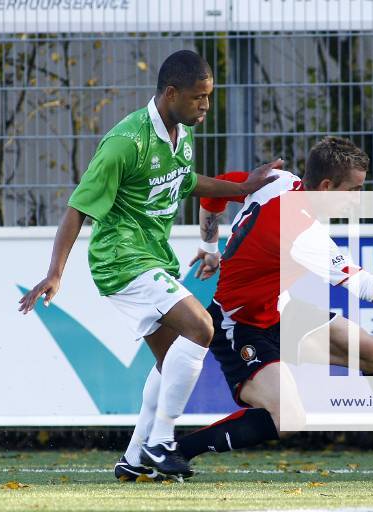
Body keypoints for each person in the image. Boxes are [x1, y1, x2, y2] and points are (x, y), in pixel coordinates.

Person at [113, 136, 373, 481]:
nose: (357, 201)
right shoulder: (301, 230)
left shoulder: (280, 181)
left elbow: (216, 191)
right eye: (353, 191)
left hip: (279, 312)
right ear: (326, 187)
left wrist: (209, 246)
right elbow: (369, 289)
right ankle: (171, 449)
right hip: (241, 324)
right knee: (289, 418)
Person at [18, 50, 279, 481]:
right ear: (171, 92)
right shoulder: (126, 142)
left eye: (209, 97)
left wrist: (242, 188)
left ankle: (136, 456)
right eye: (199, 97)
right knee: (200, 326)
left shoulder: (181, 135)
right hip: (121, 258)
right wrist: (56, 272)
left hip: (152, 258)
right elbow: (78, 207)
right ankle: (161, 443)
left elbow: (187, 181)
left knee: (170, 360)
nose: (205, 106)